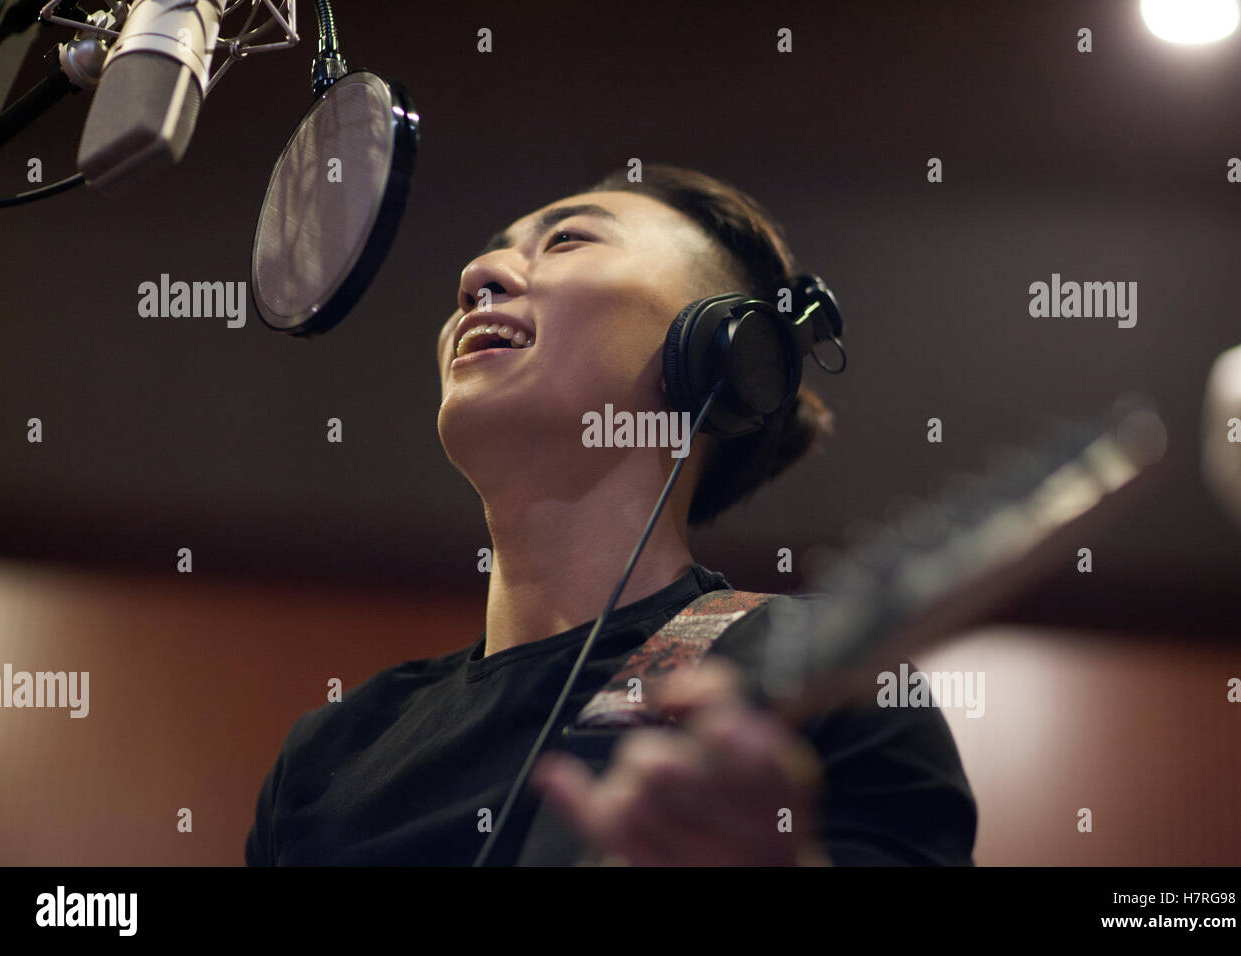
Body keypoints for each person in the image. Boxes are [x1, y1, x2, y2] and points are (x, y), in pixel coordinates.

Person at [244, 164, 978, 866]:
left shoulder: (820, 673)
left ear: (721, 355)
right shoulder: (331, 753)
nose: (477, 275)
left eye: (568, 240)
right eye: (491, 253)